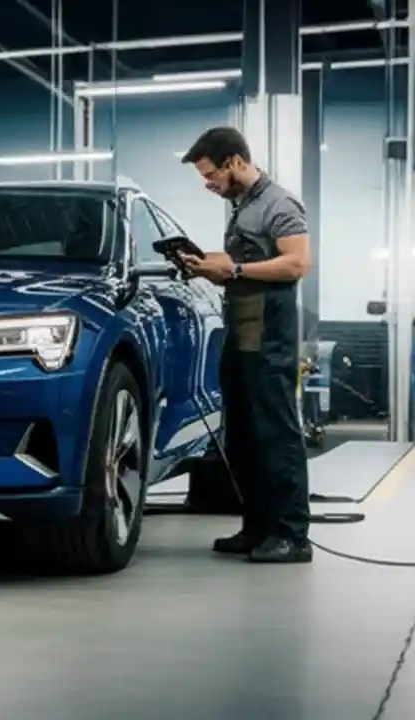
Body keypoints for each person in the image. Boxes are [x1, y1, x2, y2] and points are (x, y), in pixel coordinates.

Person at [179, 126, 314, 564]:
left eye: (211, 174)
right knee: (243, 435)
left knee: (276, 433)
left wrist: (232, 270)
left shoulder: (279, 203)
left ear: (235, 161)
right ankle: (257, 527)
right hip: (243, 331)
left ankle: (292, 535)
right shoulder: (243, 206)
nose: (209, 183)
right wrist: (209, 268)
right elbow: (243, 267)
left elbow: (296, 263)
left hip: (270, 335)